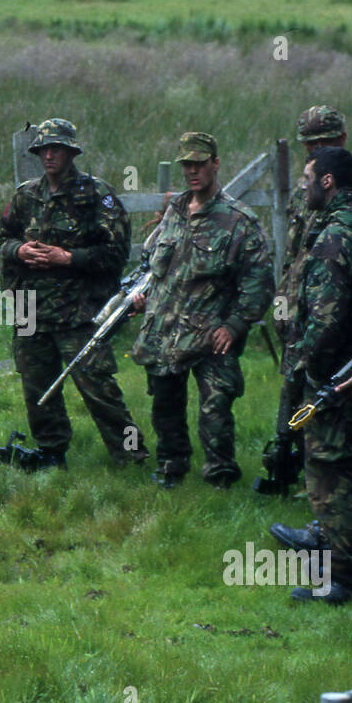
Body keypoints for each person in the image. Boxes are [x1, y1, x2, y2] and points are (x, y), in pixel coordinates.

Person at [0, 118, 148, 468]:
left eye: (57, 149)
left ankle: (132, 456)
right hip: (32, 310)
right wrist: (19, 251)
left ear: (70, 152)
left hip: (79, 312)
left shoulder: (98, 195)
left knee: (99, 388)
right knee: (37, 388)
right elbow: (4, 239)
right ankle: (51, 453)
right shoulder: (25, 195)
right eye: (43, 149)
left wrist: (68, 257)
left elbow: (115, 254)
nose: (49, 155)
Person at [128, 132, 273, 488]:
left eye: (200, 163)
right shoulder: (174, 211)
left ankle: (220, 476)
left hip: (211, 333)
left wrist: (236, 325)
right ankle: (171, 468)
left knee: (216, 410)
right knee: (165, 406)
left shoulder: (238, 221)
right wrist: (141, 297)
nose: (193, 171)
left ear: (215, 164)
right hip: (165, 330)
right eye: (187, 164)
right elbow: (153, 265)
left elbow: (259, 282)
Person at [277, 147, 352, 603]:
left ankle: (344, 573)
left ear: (327, 182)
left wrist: (304, 365)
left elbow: (326, 319)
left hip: (335, 378)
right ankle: (346, 552)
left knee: (333, 470)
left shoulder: (335, 238)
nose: (302, 185)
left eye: (307, 178)